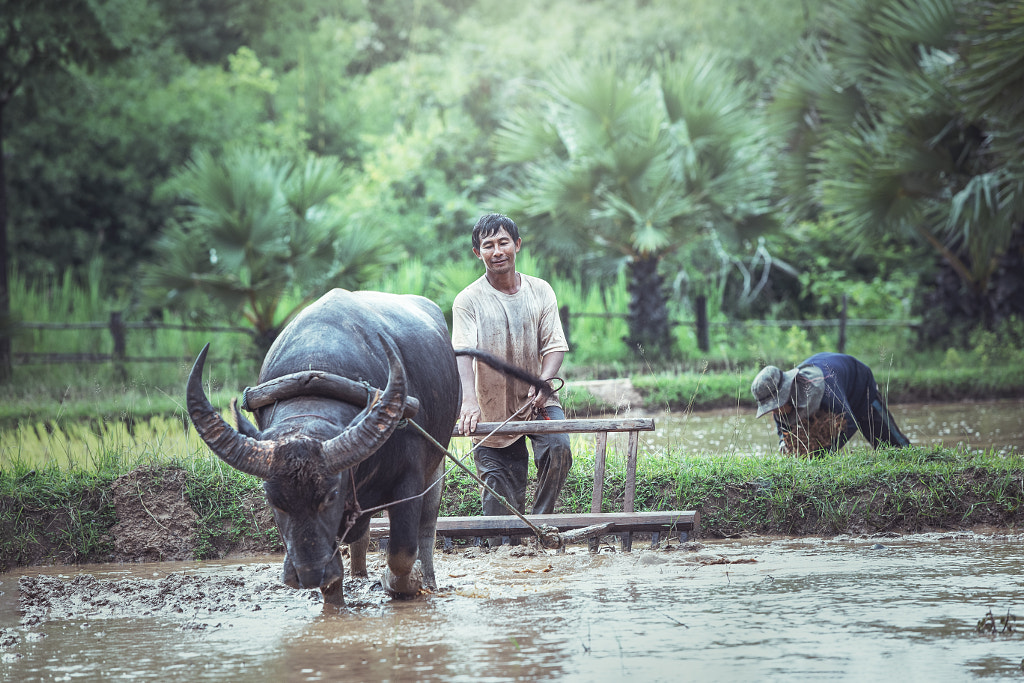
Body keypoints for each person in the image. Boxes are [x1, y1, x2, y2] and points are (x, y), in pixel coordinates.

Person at [451, 213, 573, 537]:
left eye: (503, 242)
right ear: (478, 253)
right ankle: (506, 542)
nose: (497, 251)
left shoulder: (540, 290)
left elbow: (555, 344)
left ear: (517, 245)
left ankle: (540, 522)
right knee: (497, 503)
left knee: (559, 448)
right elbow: (462, 352)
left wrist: (545, 383)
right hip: (490, 407)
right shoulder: (468, 300)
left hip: (537, 398)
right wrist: (469, 402)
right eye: (488, 245)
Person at [751, 352, 910, 453]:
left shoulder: (824, 390)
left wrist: (824, 453)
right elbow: (784, 432)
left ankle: (918, 460)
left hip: (859, 388)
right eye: (770, 408)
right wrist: (784, 445)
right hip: (831, 389)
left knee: (893, 447)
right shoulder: (781, 409)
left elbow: (849, 423)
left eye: (775, 405)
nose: (774, 412)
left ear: (787, 394)